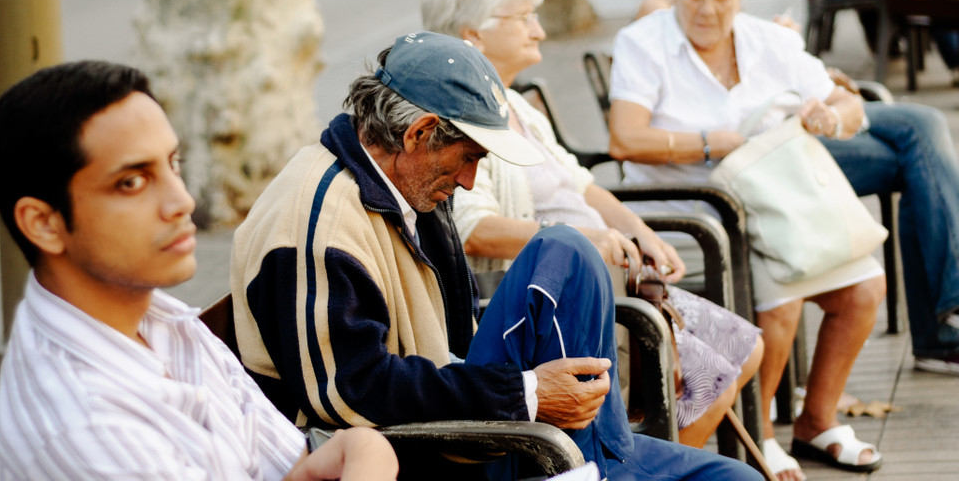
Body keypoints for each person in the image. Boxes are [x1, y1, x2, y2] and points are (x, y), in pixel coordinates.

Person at [231, 32, 762, 481]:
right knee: (565, 247)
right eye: (468, 158)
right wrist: (527, 392)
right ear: (418, 133)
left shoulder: (403, 179)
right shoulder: (318, 220)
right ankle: (598, 463)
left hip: (468, 423)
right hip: (423, 451)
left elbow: (450, 328)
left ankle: (600, 460)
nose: (469, 179)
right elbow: (348, 395)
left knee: (739, 477)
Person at [0, 60, 398, 480]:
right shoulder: (84, 430)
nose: (182, 201)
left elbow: (294, 467)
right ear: (44, 223)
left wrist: (362, 446)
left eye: (173, 163)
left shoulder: (162, 320)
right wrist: (365, 450)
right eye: (132, 182)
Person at [419, 0, 764, 451]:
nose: (539, 29)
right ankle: (640, 463)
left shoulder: (517, 106)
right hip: (572, 304)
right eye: (524, 17)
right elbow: (471, 232)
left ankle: (657, 459)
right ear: (473, 34)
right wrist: (584, 243)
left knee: (746, 351)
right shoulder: (465, 123)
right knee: (714, 378)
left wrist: (636, 230)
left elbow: (582, 185)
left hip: (618, 280)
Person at [608, 0, 887, 481]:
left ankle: (816, 420)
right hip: (690, 210)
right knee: (781, 287)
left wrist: (832, 116)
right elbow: (626, 138)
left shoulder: (768, 41)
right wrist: (714, 141)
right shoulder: (644, 41)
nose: (707, 9)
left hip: (776, 202)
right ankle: (760, 433)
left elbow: (848, 101)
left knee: (864, 289)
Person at [640, 0, 959, 379]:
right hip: (771, 153)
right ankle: (940, 327)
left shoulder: (726, 17)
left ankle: (942, 323)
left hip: (794, 128)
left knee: (925, 136)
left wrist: (797, 64)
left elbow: (761, 65)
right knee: (919, 160)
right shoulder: (658, 18)